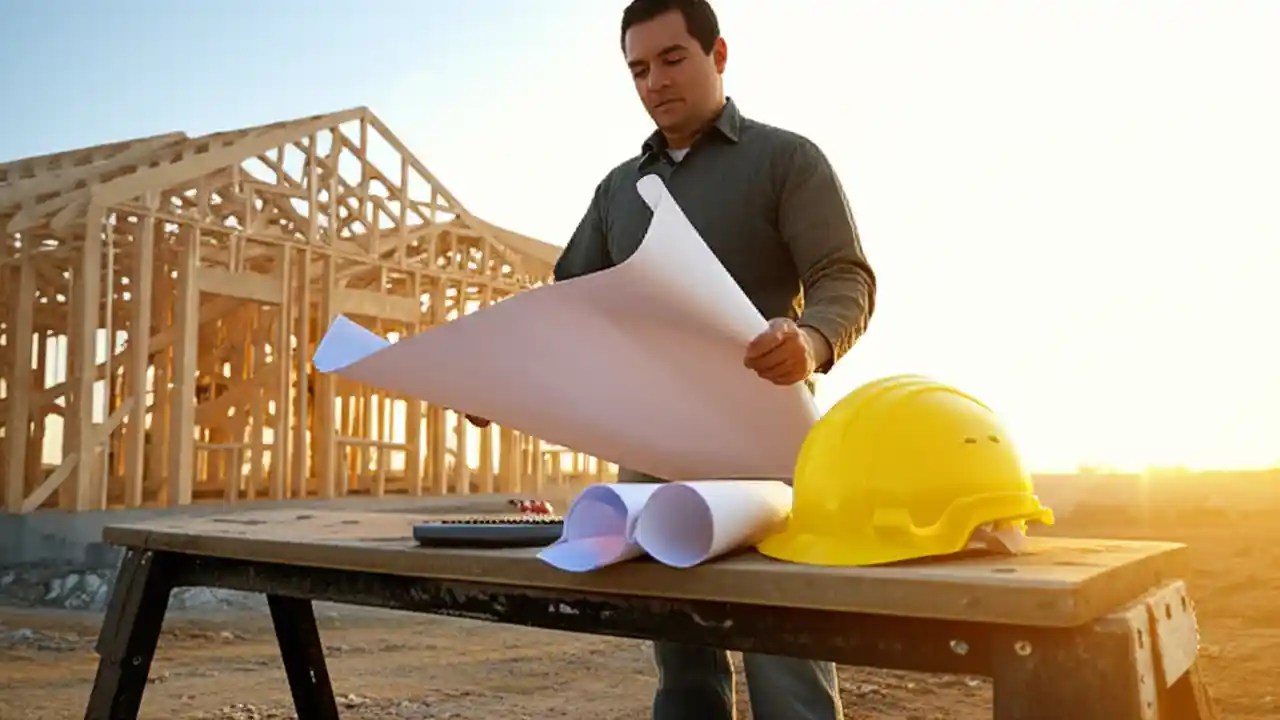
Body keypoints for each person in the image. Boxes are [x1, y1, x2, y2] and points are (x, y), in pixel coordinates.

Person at [545, 1, 877, 718]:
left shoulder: (786, 160)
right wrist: (503, 375)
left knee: (785, 648)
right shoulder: (616, 191)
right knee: (681, 650)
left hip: (767, 440)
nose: (655, 82)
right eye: (638, 69)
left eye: (672, 59)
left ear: (718, 55)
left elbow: (844, 276)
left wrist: (811, 340)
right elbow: (568, 308)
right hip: (653, 450)